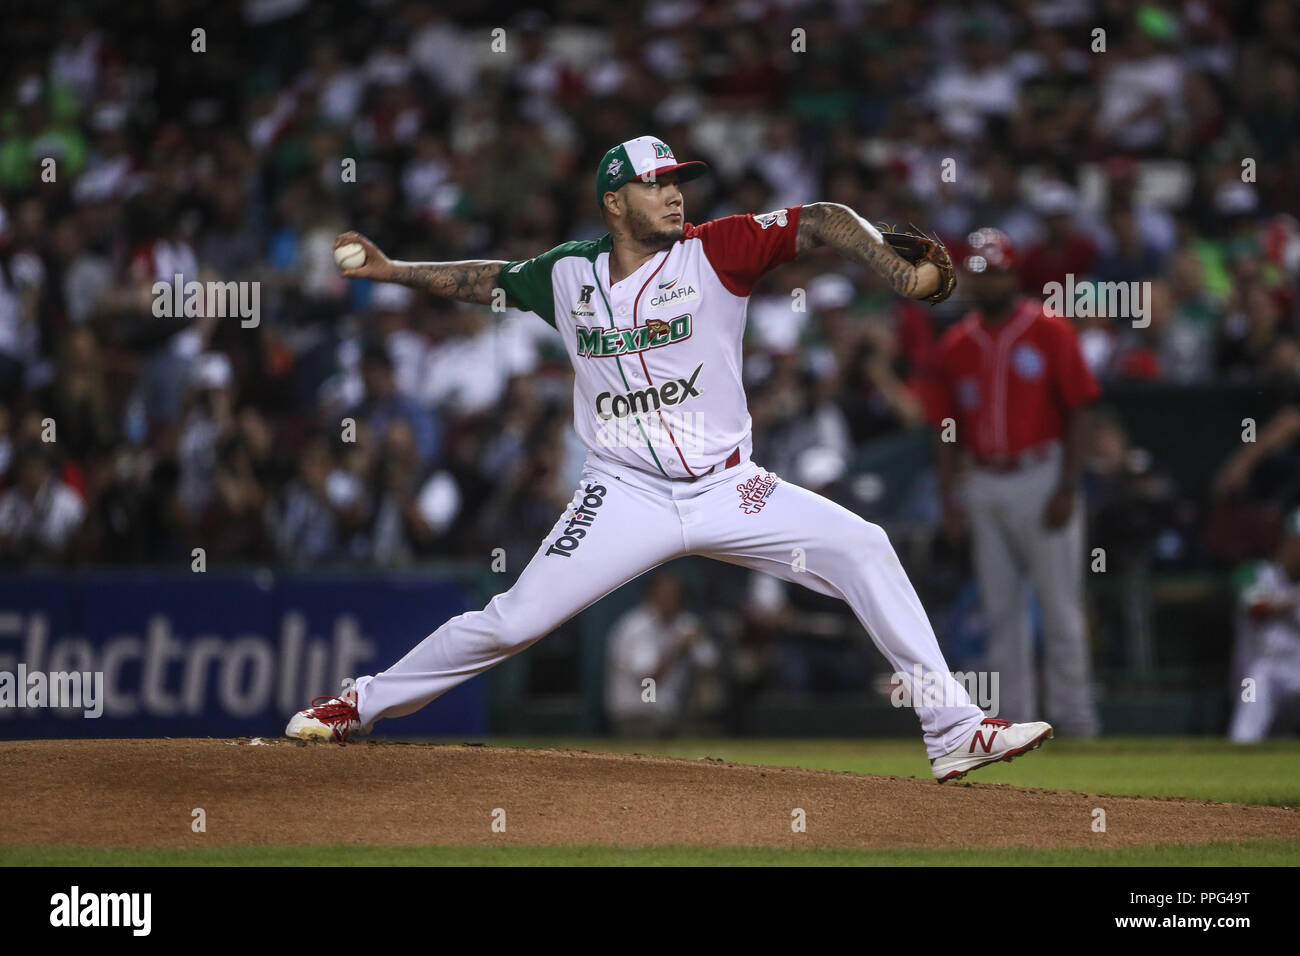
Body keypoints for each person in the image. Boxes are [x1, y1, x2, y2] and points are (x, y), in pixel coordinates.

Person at [286, 136, 1053, 781]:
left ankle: (952, 728)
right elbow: (488, 280)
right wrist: (391, 272)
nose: (674, 194)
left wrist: (899, 271)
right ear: (614, 202)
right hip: (623, 493)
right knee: (511, 620)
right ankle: (358, 703)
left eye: (678, 181)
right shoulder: (566, 274)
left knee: (864, 546)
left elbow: (819, 220)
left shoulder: (718, 250)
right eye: (654, 183)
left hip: (732, 488)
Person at [924, 228, 1102, 737]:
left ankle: (1076, 721)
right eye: (979, 273)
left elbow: (1082, 410)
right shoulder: (957, 343)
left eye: (996, 271)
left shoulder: (1049, 329)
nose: (988, 282)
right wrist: (950, 500)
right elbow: (945, 430)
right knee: (1000, 612)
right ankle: (1017, 724)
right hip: (984, 480)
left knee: (1061, 608)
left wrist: (1068, 486)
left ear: (1014, 272)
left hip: (1041, 474)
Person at [604, 571, 719, 737]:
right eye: (664, 594)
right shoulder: (636, 627)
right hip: (638, 714)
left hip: (673, 712)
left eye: (674, 594)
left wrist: (695, 647)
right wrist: (677, 650)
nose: (670, 600)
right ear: (652, 595)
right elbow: (647, 682)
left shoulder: (686, 623)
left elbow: (709, 666)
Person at [1228, 509, 1300, 742]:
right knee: (1261, 678)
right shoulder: (1255, 572)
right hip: (1254, 674)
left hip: (1296, 675)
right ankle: (1242, 750)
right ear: (1287, 542)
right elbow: (1256, 609)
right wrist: (1291, 602)